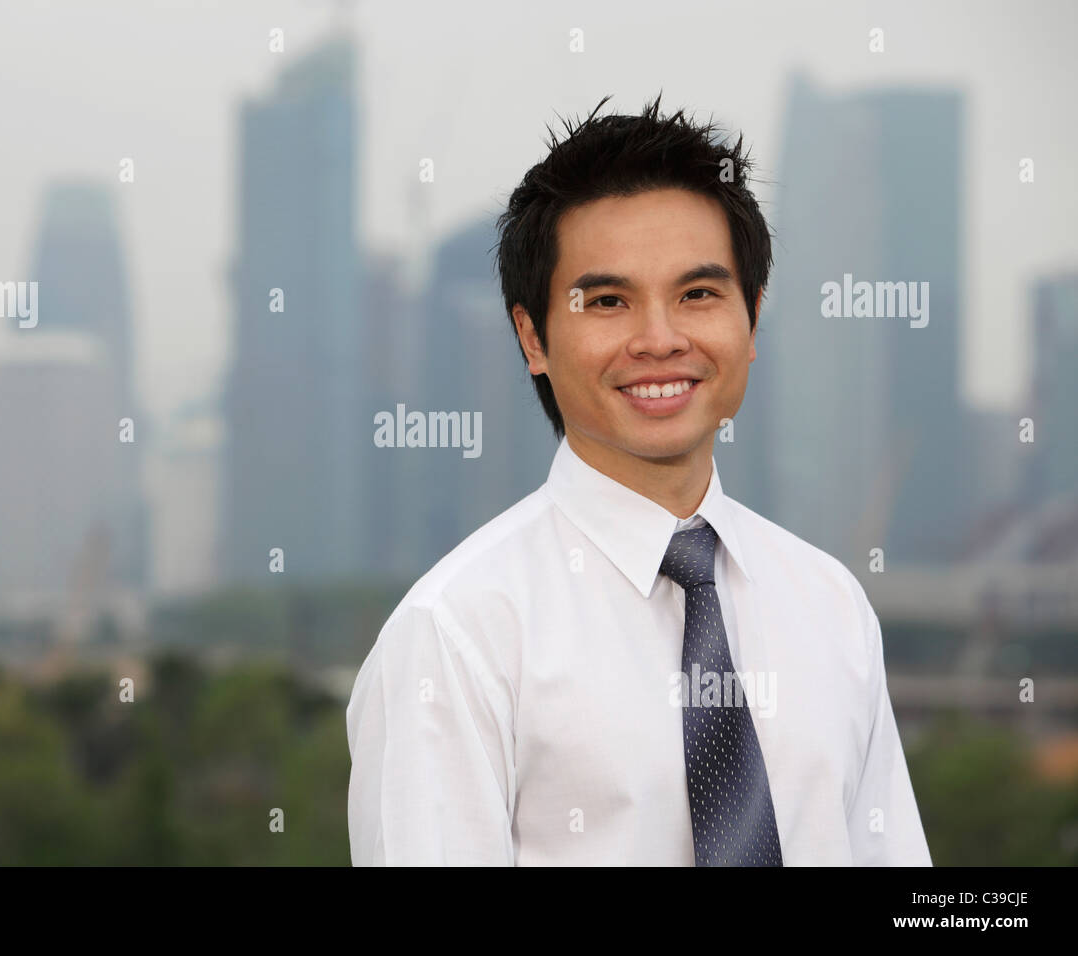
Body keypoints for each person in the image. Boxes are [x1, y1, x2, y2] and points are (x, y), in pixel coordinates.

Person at [345, 93, 933, 866]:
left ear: (751, 319)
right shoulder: (458, 633)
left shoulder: (831, 606)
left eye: (698, 294)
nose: (659, 340)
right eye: (609, 301)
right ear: (533, 337)